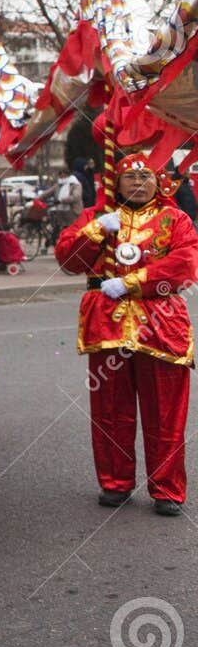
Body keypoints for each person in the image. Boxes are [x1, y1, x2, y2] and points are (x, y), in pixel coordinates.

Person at [55, 153, 198, 516]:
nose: (138, 182)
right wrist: (96, 230)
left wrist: (135, 281)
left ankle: (167, 489)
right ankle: (115, 483)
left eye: (145, 176)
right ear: (115, 182)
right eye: (129, 177)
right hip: (107, 325)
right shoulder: (95, 217)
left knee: (165, 413)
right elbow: (69, 261)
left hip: (161, 323)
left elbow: (186, 264)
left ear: (158, 181)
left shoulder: (175, 219)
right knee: (110, 411)